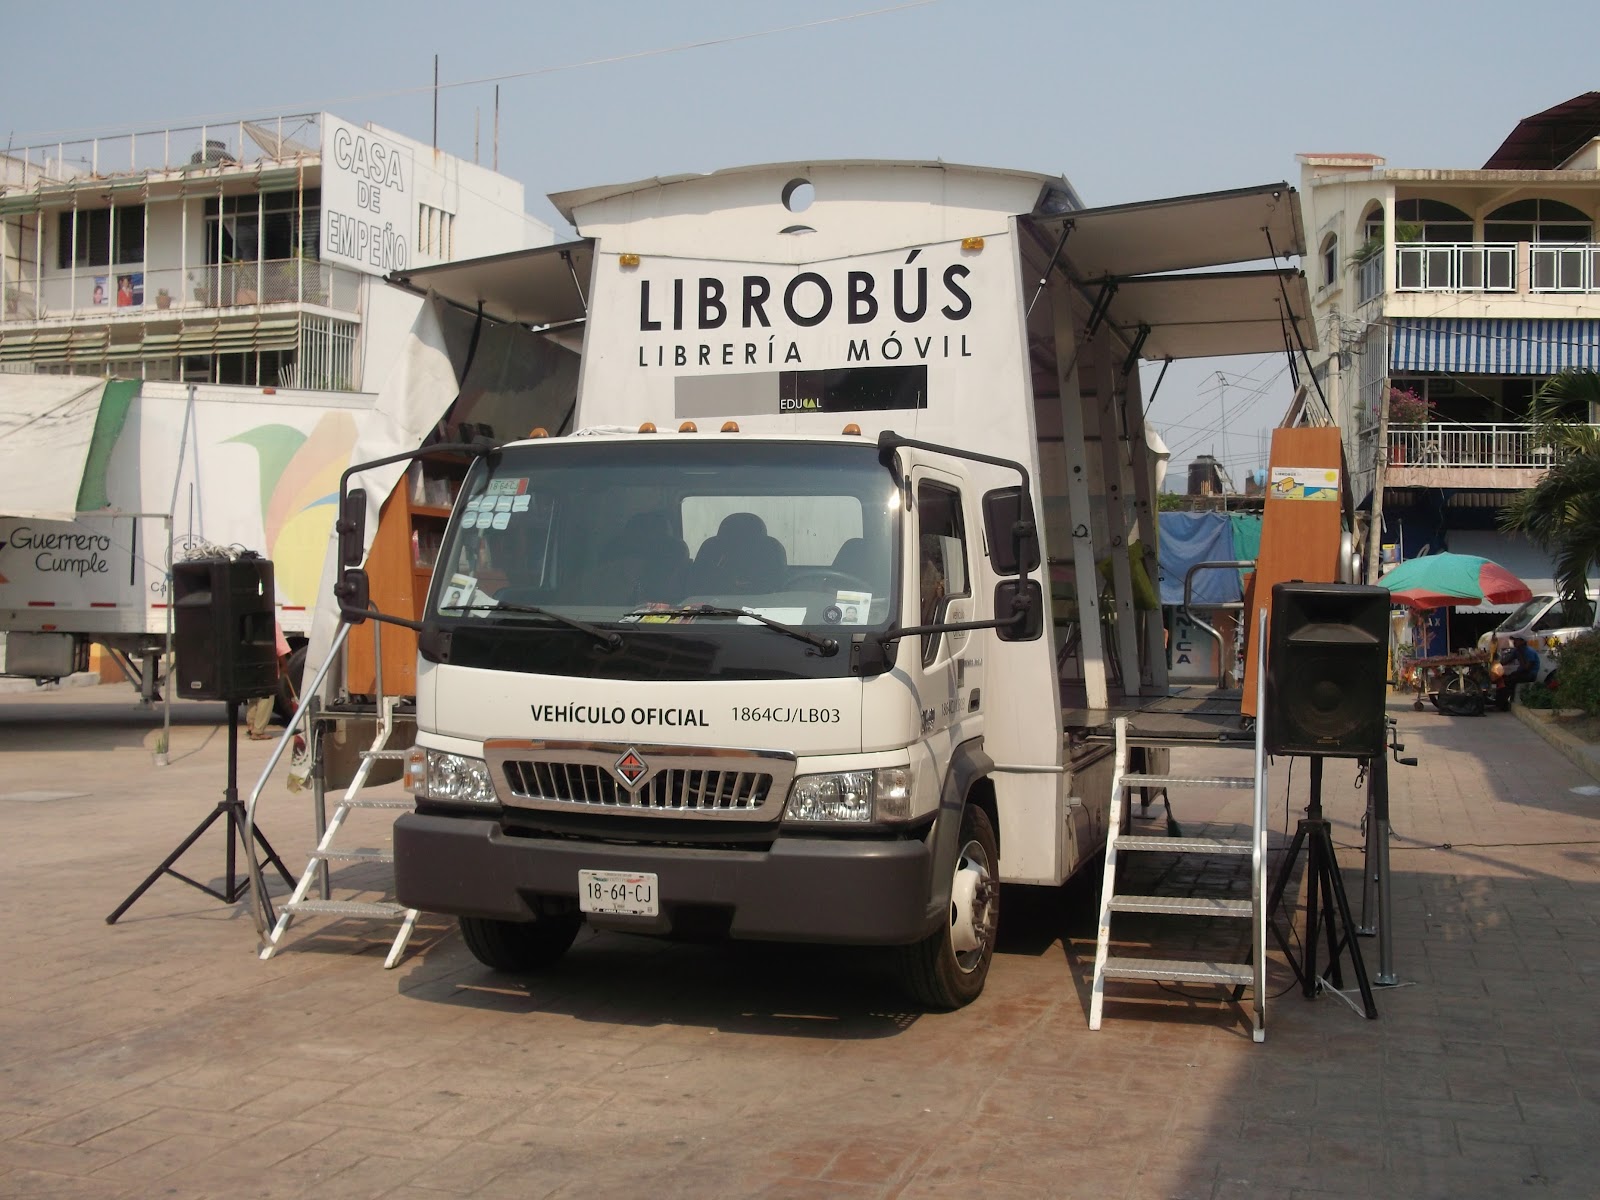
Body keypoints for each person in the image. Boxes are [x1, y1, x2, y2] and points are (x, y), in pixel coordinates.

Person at [246, 620, 293, 740]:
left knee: (254, 696)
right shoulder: (272, 623)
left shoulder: (249, 622)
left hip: (250, 664)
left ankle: (251, 725)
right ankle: (258, 731)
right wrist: (284, 665)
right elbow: (280, 647)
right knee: (266, 697)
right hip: (266, 666)